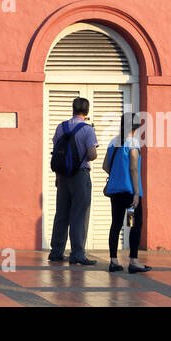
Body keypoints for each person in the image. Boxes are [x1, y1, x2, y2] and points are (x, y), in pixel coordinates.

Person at [48, 97, 99, 266]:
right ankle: (77, 253)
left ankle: (56, 251)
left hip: (62, 176)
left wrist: (57, 176)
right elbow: (92, 155)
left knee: (61, 213)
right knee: (79, 214)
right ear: (87, 111)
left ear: (72, 109)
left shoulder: (61, 127)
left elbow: (56, 151)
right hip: (80, 175)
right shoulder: (87, 129)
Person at [103, 112, 150, 274]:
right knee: (133, 224)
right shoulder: (133, 143)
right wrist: (137, 193)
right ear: (135, 128)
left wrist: (116, 174)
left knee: (116, 224)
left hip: (116, 193)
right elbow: (133, 169)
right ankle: (133, 261)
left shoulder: (112, 143)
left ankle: (113, 261)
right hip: (130, 194)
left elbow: (105, 166)